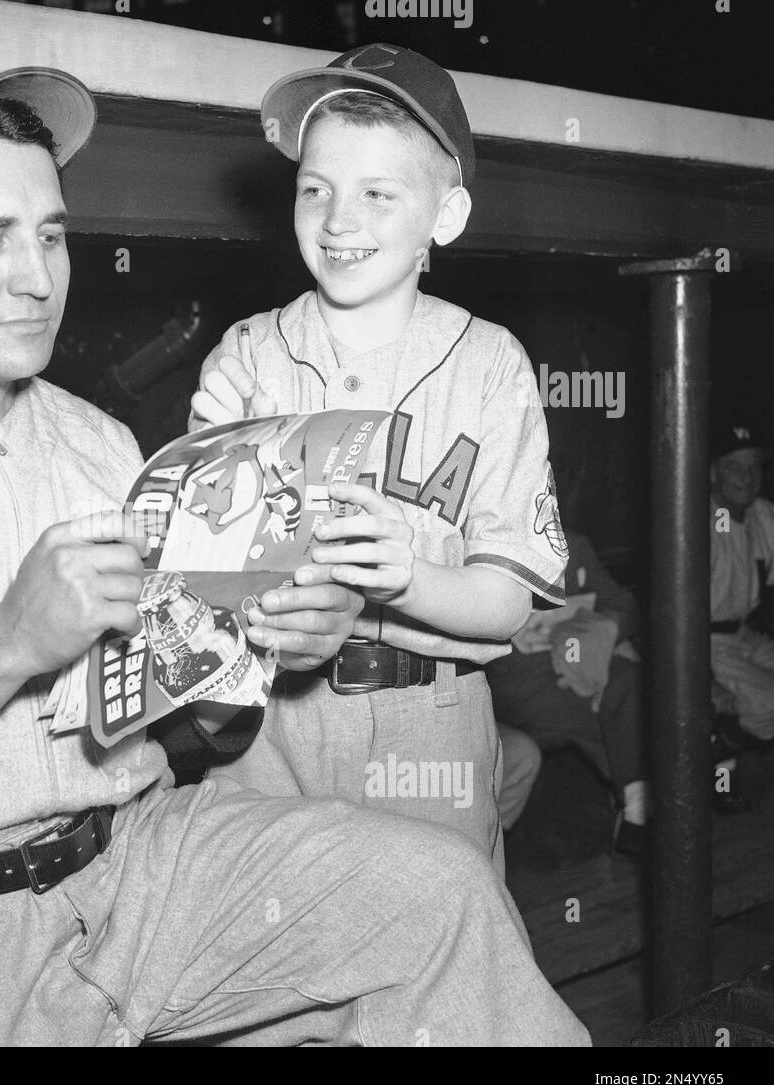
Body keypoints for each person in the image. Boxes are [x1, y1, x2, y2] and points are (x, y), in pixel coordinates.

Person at [0, 60, 588, 1046]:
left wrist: (279, 644)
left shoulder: (98, 443)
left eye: (50, 234)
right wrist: (2, 645)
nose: (37, 277)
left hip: (141, 870)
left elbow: (182, 717)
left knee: (438, 895)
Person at [188, 44, 566, 874]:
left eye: (377, 194)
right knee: (274, 973)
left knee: (442, 963)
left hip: (432, 719)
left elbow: (507, 601)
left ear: (447, 215)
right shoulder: (251, 354)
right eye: (315, 189)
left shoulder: (491, 364)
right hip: (277, 723)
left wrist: (412, 579)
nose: (337, 220)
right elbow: (196, 582)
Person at [486, 527, 649, 856]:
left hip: (582, 665)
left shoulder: (572, 544)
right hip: (515, 683)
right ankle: (639, 801)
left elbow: (624, 604)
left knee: (631, 679)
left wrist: (601, 631)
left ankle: (636, 812)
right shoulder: (488, 545)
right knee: (599, 708)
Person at [709, 412, 774, 779]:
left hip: (744, 634)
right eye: (735, 467)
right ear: (713, 471)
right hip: (704, 641)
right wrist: (706, 681)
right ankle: (711, 757)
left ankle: (722, 755)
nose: (747, 478)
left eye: (754, 467)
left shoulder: (763, 513)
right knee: (767, 703)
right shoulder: (693, 518)